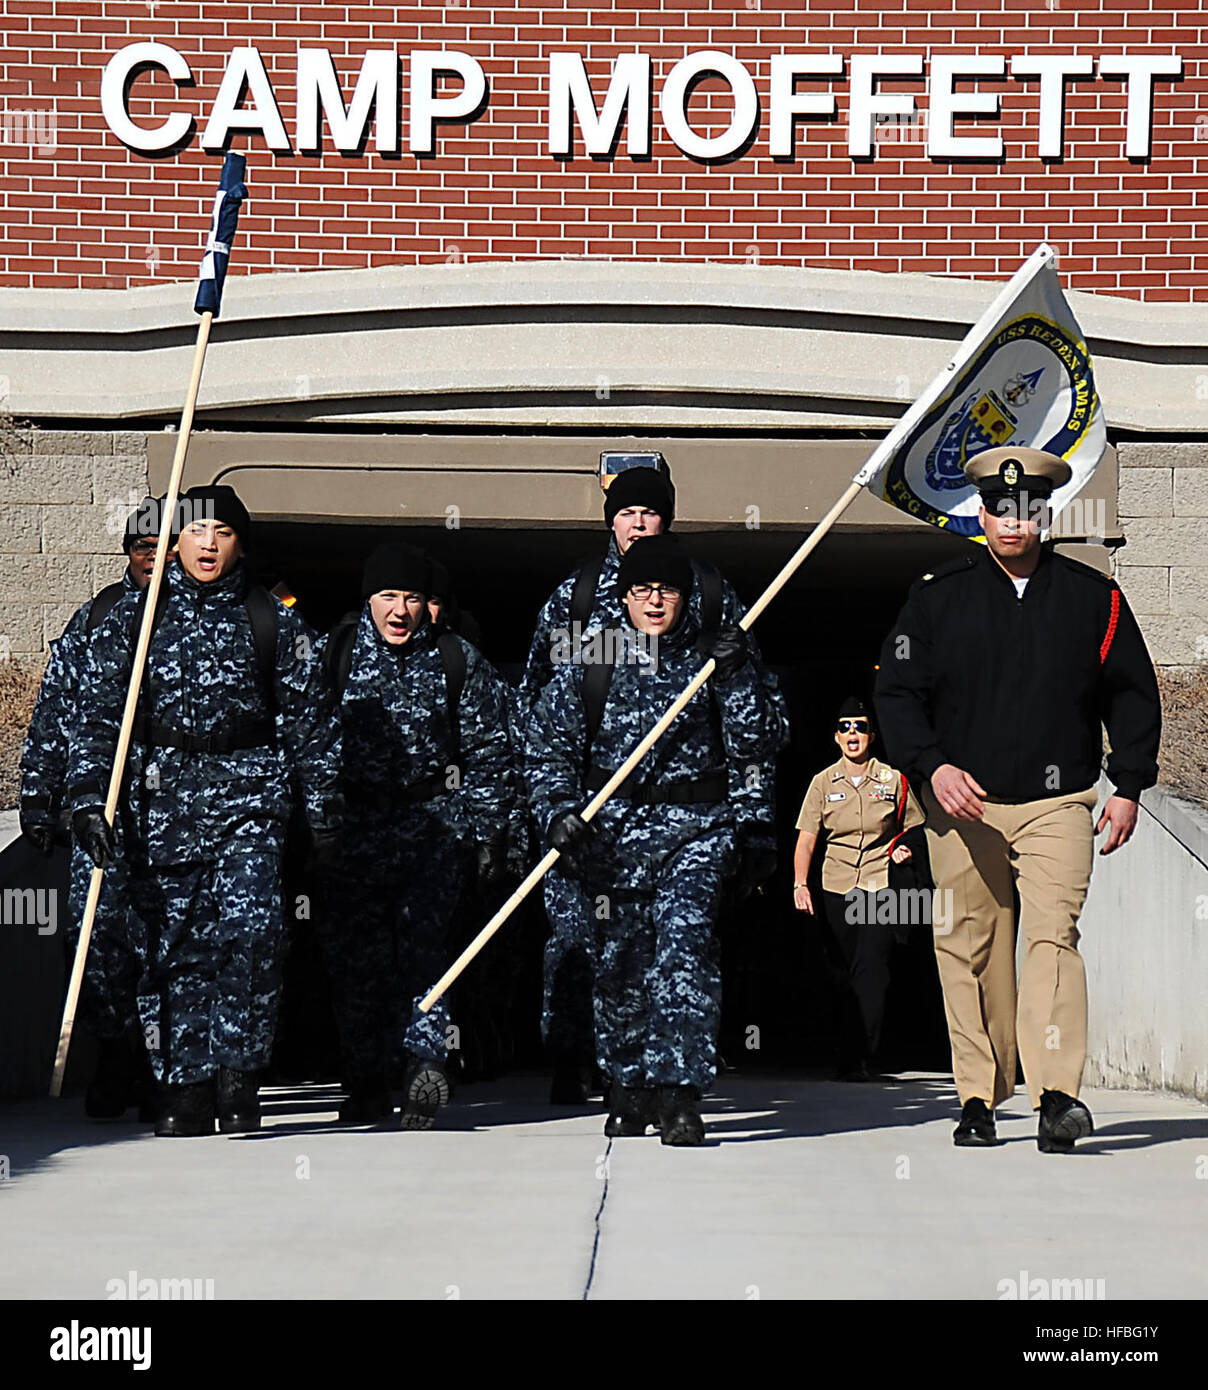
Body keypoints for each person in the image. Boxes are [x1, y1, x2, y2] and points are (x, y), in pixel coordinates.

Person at [874, 446, 1161, 1152]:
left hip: (1057, 803)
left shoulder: (1096, 600)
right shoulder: (936, 596)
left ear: (1046, 513)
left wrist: (1127, 784)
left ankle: (1056, 1094)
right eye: (1000, 509)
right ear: (981, 513)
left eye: (1027, 509)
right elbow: (898, 693)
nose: (1013, 521)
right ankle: (976, 1095)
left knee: (1051, 938)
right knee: (968, 948)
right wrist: (932, 768)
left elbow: (1131, 694)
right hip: (961, 804)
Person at [68, 484, 342, 1137]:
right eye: (195, 533)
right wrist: (84, 798)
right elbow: (96, 718)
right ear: (174, 544)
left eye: (221, 533)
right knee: (174, 945)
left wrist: (324, 810)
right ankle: (185, 1081)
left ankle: (238, 1073)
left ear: (240, 543)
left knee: (251, 937)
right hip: (161, 799)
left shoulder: (271, 619)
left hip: (249, 793)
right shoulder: (134, 622)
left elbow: (313, 722)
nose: (208, 544)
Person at [515, 462, 788, 1103]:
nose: (637, 523)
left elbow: (756, 741)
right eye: (627, 512)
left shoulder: (713, 603)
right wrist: (551, 810)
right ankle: (603, 1070)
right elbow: (540, 720)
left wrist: (753, 825)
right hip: (604, 825)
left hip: (696, 825)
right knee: (608, 956)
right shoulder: (580, 612)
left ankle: (679, 1090)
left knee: (686, 946)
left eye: (650, 513)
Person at [314, 542, 516, 1129]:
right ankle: (365, 1080)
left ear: (429, 605)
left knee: (426, 960)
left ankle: (423, 1068)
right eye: (387, 596)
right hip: (353, 833)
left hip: (433, 832)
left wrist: (489, 833)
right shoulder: (338, 655)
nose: (399, 610)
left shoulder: (458, 661)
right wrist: (315, 824)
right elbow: (305, 738)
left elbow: (489, 753)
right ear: (368, 601)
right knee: (357, 965)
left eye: (411, 597)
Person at [19, 497, 169, 1120]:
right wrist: (38, 794)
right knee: (98, 939)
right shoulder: (98, 619)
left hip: (171, 809)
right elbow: (56, 710)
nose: (149, 558)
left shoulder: (193, 620)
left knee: (165, 942)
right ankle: (116, 1057)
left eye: (160, 547)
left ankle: (163, 1068)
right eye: (139, 547)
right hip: (98, 808)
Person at [792, 696, 925, 1081]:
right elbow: (807, 838)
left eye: (861, 726)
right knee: (842, 971)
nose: (854, 733)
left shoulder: (892, 780)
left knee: (872, 969)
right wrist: (800, 883)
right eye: (846, 727)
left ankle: (862, 1056)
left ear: (872, 735)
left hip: (878, 882)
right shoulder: (822, 783)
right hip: (836, 884)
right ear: (836, 737)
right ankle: (842, 1048)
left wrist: (906, 849)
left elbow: (917, 828)